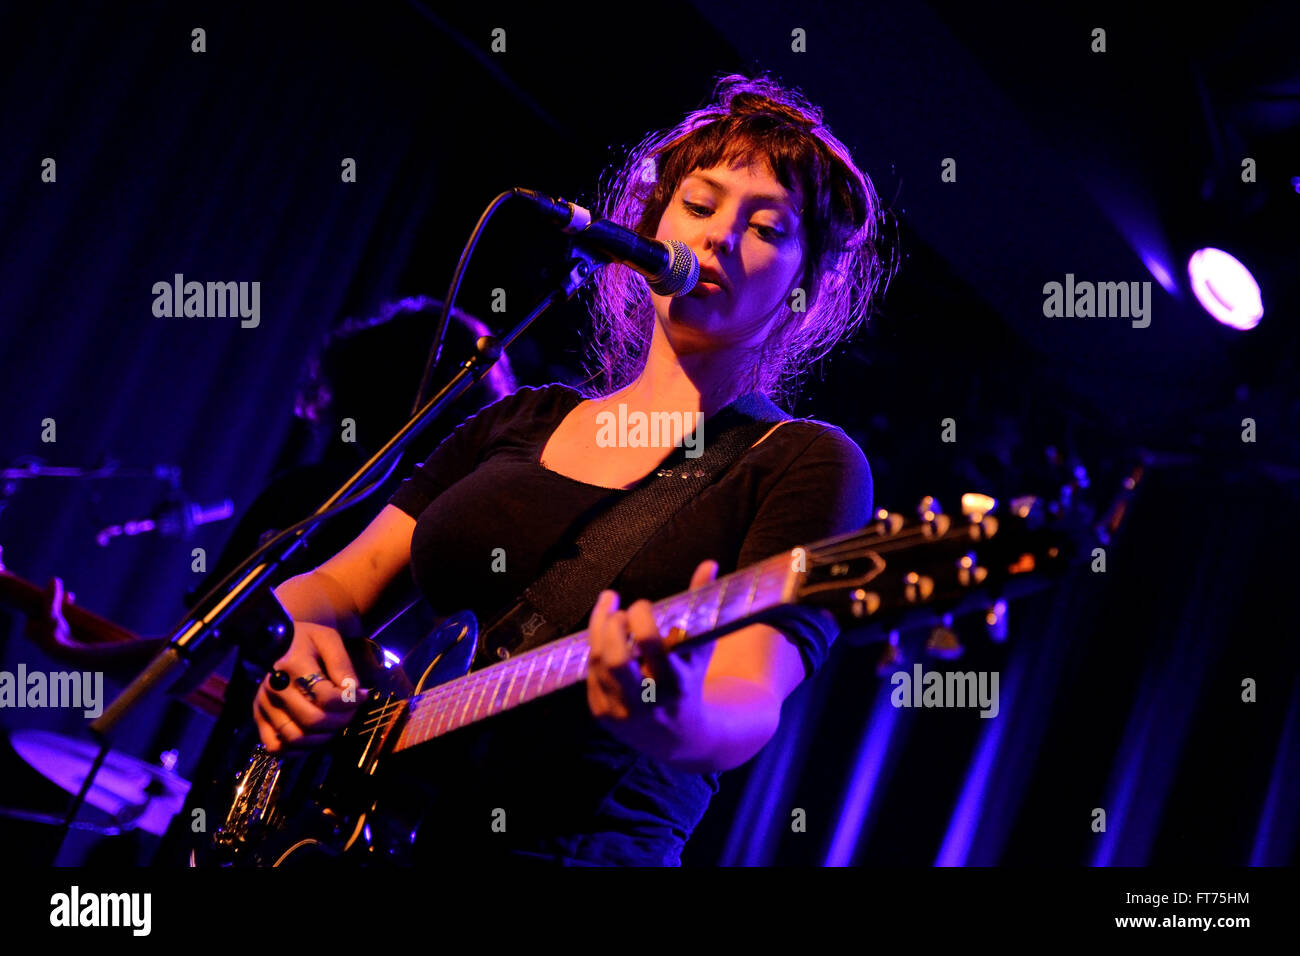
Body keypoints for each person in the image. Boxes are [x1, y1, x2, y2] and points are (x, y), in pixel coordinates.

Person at [250, 72, 890, 866]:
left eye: (767, 227)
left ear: (809, 286)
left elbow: (747, 699)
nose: (719, 236)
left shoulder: (803, 463)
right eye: (699, 205)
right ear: (648, 228)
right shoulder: (523, 418)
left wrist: (669, 715)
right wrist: (304, 649)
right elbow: (335, 589)